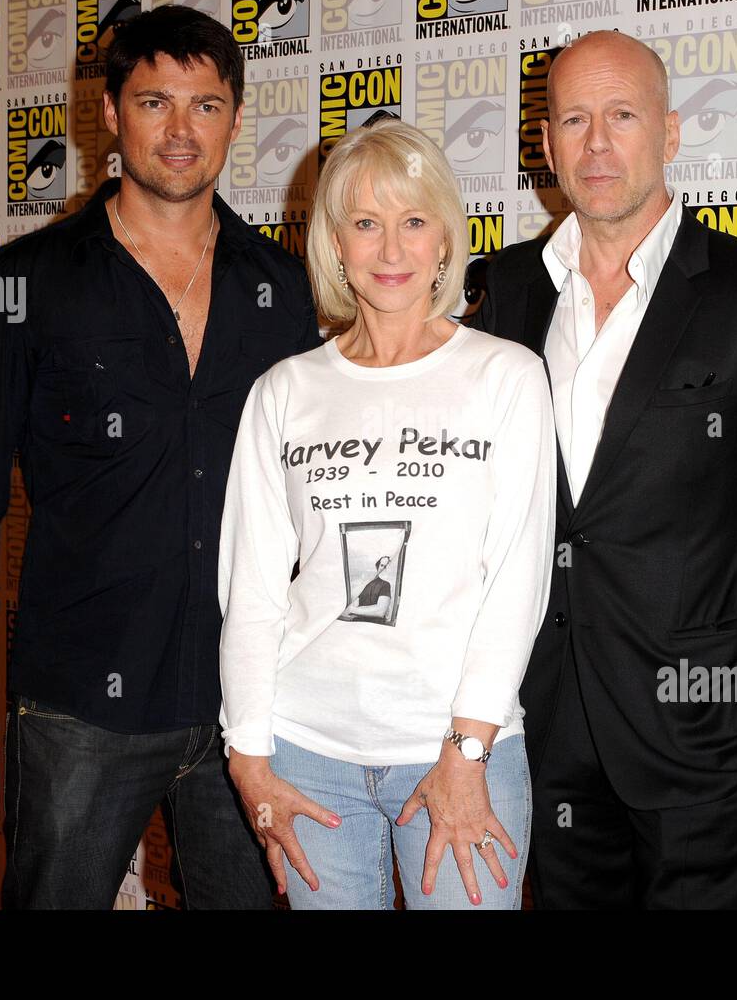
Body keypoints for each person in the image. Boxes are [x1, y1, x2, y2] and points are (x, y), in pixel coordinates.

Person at [0, 6, 321, 909]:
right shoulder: (22, 286)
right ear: (109, 112)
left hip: (248, 709)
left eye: (207, 106)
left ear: (237, 119)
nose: (182, 131)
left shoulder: (283, 291)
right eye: (155, 102)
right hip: (76, 709)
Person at [471, 31, 737, 909]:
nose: (598, 143)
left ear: (671, 132)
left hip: (707, 732)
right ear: (546, 145)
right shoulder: (505, 292)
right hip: (547, 723)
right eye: (574, 119)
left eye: (622, 115)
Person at [218, 118, 556, 910]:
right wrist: (249, 757)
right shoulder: (285, 390)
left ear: (446, 239)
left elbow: (518, 580)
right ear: (335, 244)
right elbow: (254, 590)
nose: (392, 250)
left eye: (413, 221)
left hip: (458, 749)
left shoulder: (505, 375)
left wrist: (468, 749)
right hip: (305, 753)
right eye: (366, 224)